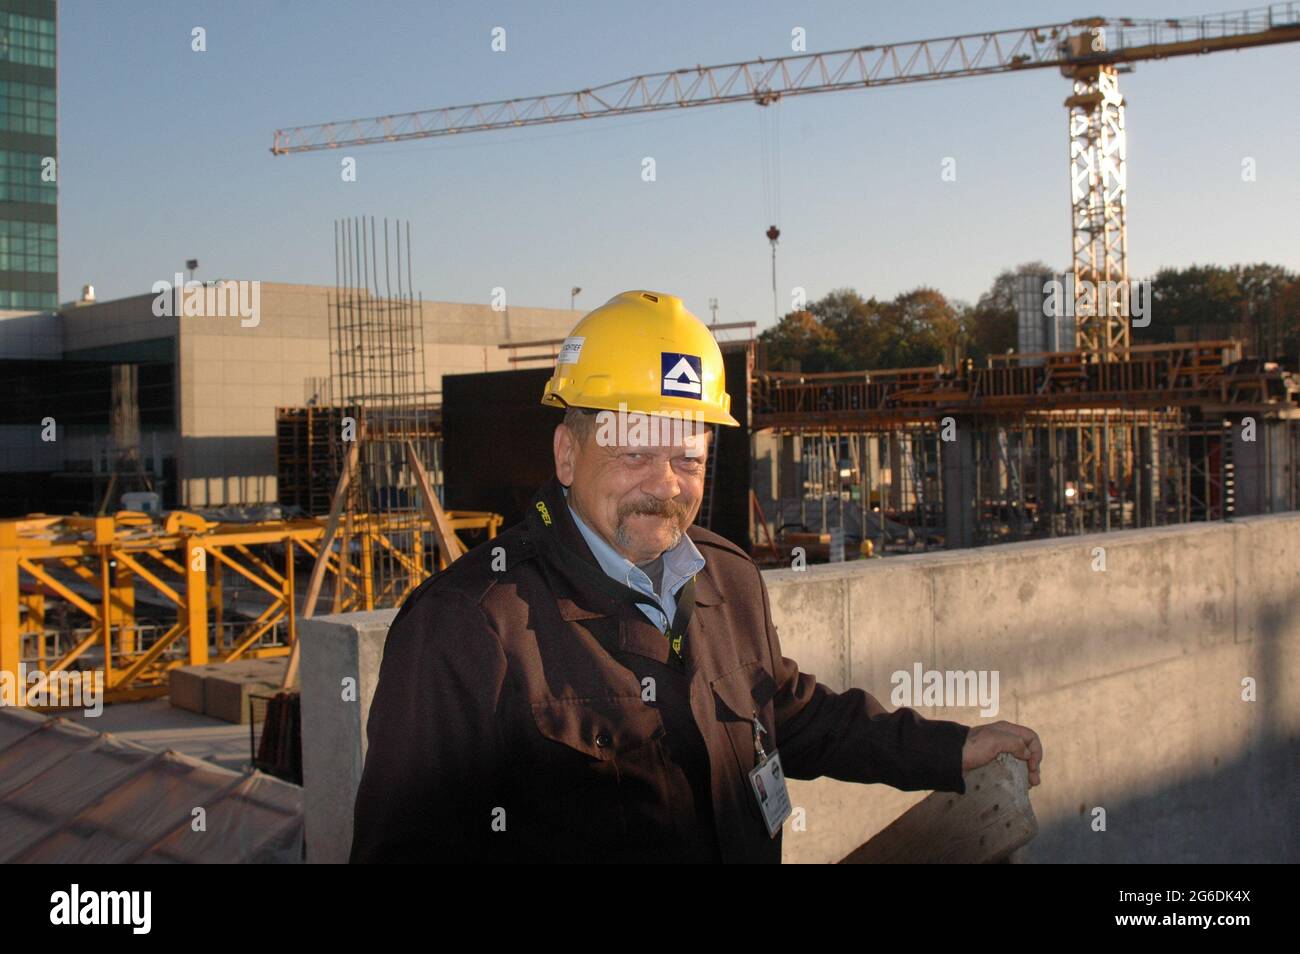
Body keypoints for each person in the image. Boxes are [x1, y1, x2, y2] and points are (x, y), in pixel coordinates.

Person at [350, 289, 1042, 863]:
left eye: (688, 457)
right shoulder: (468, 628)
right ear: (567, 453)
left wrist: (949, 751)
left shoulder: (724, 577)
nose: (664, 485)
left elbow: (790, 714)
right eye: (632, 453)